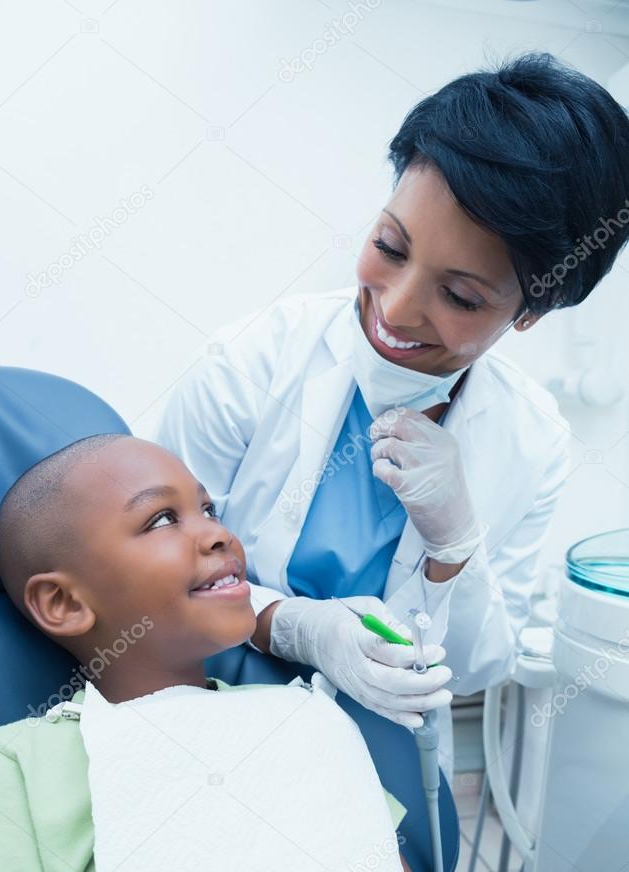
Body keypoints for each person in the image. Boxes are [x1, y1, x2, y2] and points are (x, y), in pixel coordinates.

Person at [157, 51, 629, 773]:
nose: (398, 307)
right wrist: (291, 625)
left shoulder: (531, 442)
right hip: (205, 702)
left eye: (462, 296)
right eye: (390, 246)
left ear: (530, 314)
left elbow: (472, 669)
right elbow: (146, 573)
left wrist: (455, 547)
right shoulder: (253, 363)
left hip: (380, 750)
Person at [0, 434, 511, 872]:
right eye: (161, 518)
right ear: (63, 602)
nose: (219, 533)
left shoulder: (303, 724)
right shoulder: (17, 773)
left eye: (209, 509)